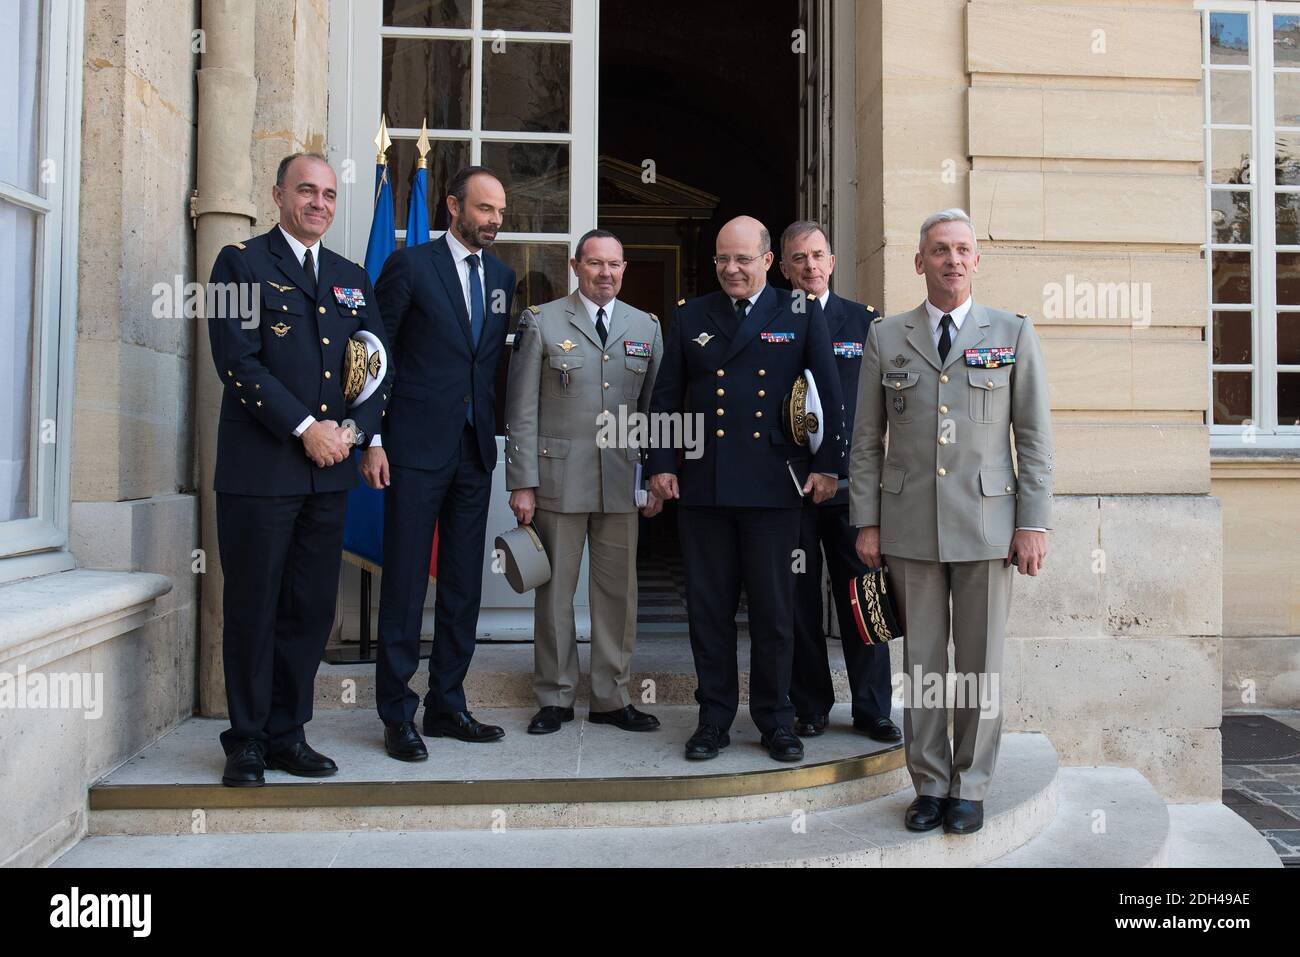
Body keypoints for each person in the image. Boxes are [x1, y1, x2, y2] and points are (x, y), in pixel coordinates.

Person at [849, 208, 1053, 835]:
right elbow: (866, 440)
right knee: (924, 665)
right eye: (940, 249)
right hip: (909, 524)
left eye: (963, 249)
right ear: (920, 262)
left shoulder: (1012, 332)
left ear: (977, 261)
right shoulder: (887, 336)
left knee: (980, 664)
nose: (953, 260)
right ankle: (930, 783)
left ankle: (972, 785)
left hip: (988, 525)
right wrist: (867, 522)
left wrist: (1033, 523)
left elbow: (1033, 438)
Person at [207, 152, 391, 786]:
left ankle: (289, 734)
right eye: (306, 191)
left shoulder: (350, 276)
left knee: (310, 610)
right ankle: (247, 740)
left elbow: (376, 366)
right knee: (254, 606)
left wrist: (356, 434)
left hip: (329, 473)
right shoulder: (240, 263)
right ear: (279, 194)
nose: (319, 203)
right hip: (261, 473)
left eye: (329, 194)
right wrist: (307, 428)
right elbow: (237, 361)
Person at [648, 216, 846, 763]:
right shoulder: (692, 315)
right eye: (722, 259)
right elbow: (666, 397)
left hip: (773, 486)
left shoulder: (798, 310)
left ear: (767, 261)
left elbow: (829, 392)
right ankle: (713, 719)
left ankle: (775, 719)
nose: (731, 269)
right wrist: (660, 464)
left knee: (774, 613)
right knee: (708, 612)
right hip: (705, 485)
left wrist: (828, 466)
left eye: (742, 259)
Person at [364, 166, 516, 761]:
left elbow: (488, 363)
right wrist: (373, 438)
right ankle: (396, 714)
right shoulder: (409, 266)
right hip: (413, 450)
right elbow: (377, 356)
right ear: (453, 207)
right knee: (404, 583)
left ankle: (447, 704)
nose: (494, 220)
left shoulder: (501, 276)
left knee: (462, 584)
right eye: (484, 208)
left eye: (499, 211)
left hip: (474, 453)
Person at [504, 229, 665, 734]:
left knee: (618, 594)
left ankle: (611, 698)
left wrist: (652, 476)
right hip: (558, 480)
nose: (605, 273)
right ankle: (554, 696)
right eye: (595, 263)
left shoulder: (646, 327)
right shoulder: (543, 321)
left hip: (620, 480)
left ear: (624, 269)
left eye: (614, 264)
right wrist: (522, 482)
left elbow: (653, 410)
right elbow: (521, 409)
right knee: (554, 593)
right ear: (576, 266)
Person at [777, 221, 901, 744]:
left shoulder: (865, 322)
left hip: (853, 488)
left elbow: (883, 406)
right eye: (798, 258)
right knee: (797, 599)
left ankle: (872, 708)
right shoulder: (773, 320)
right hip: (791, 488)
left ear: (831, 262)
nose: (809, 266)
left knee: (864, 595)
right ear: (783, 268)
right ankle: (810, 706)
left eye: (817, 255)